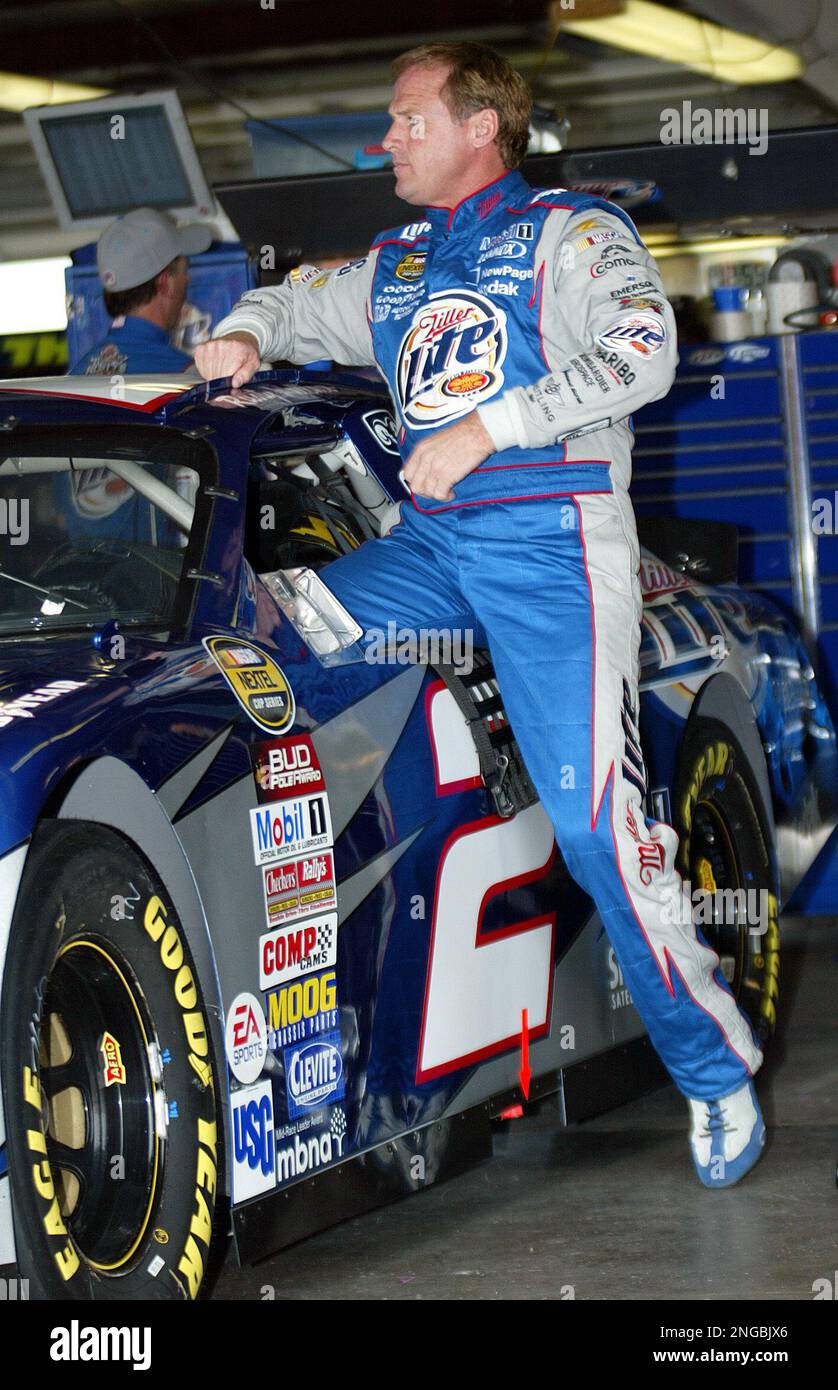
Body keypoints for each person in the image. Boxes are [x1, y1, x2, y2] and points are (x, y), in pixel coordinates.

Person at [195, 42, 766, 1189]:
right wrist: (247, 333)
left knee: (599, 823)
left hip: (553, 547)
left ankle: (714, 1069)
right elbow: (293, 299)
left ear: (478, 127)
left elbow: (646, 348)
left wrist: (489, 429)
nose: (384, 139)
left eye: (406, 118)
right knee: (253, 654)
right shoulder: (401, 260)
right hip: (430, 552)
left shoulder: (571, 231)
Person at [70, 207, 211, 375]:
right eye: (184, 271)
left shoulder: (75, 374)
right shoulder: (185, 376)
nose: (188, 279)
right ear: (166, 283)